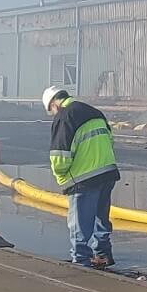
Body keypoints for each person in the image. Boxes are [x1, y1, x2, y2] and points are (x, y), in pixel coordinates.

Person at [42, 85, 119, 267]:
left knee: (79, 222)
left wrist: (62, 176)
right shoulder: (94, 111)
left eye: (51, 111)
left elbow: (59, 156)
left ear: (53, 104)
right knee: (101, 218)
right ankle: (103, 255)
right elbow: (110, 140)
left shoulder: (65, 116)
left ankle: (81, 261)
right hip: (108, 171)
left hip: (84, 178)